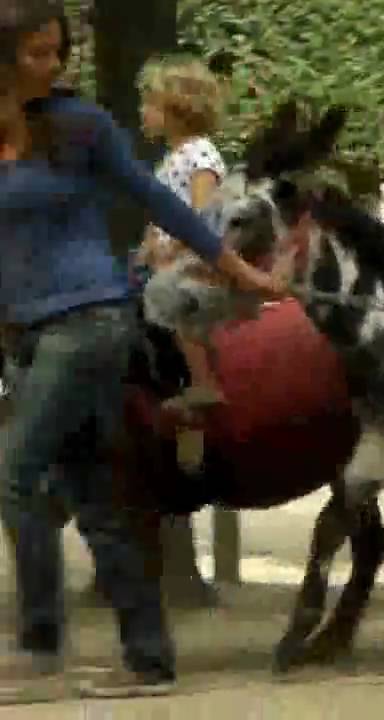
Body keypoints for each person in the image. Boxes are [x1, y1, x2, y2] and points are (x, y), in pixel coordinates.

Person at [0, 0, 283, 701]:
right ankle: (149, 659)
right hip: (27, 333)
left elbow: (167, 207)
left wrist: (238, 269)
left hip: (90, 320)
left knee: (13, 478)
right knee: (95, 498)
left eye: (57, 51)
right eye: (37, 52)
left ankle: (38, 647)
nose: (53, 64)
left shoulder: (83, 127)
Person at [137, 54, 229, 416]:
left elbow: (201, 214)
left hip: (185, 261)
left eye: (150, 104)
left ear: (178, 108)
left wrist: (172, 248)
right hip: (162, 257)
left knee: (176, 313)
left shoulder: (200, 154)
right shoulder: (173, 157)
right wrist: (147, 245)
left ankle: (204, 382)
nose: (143, 112)